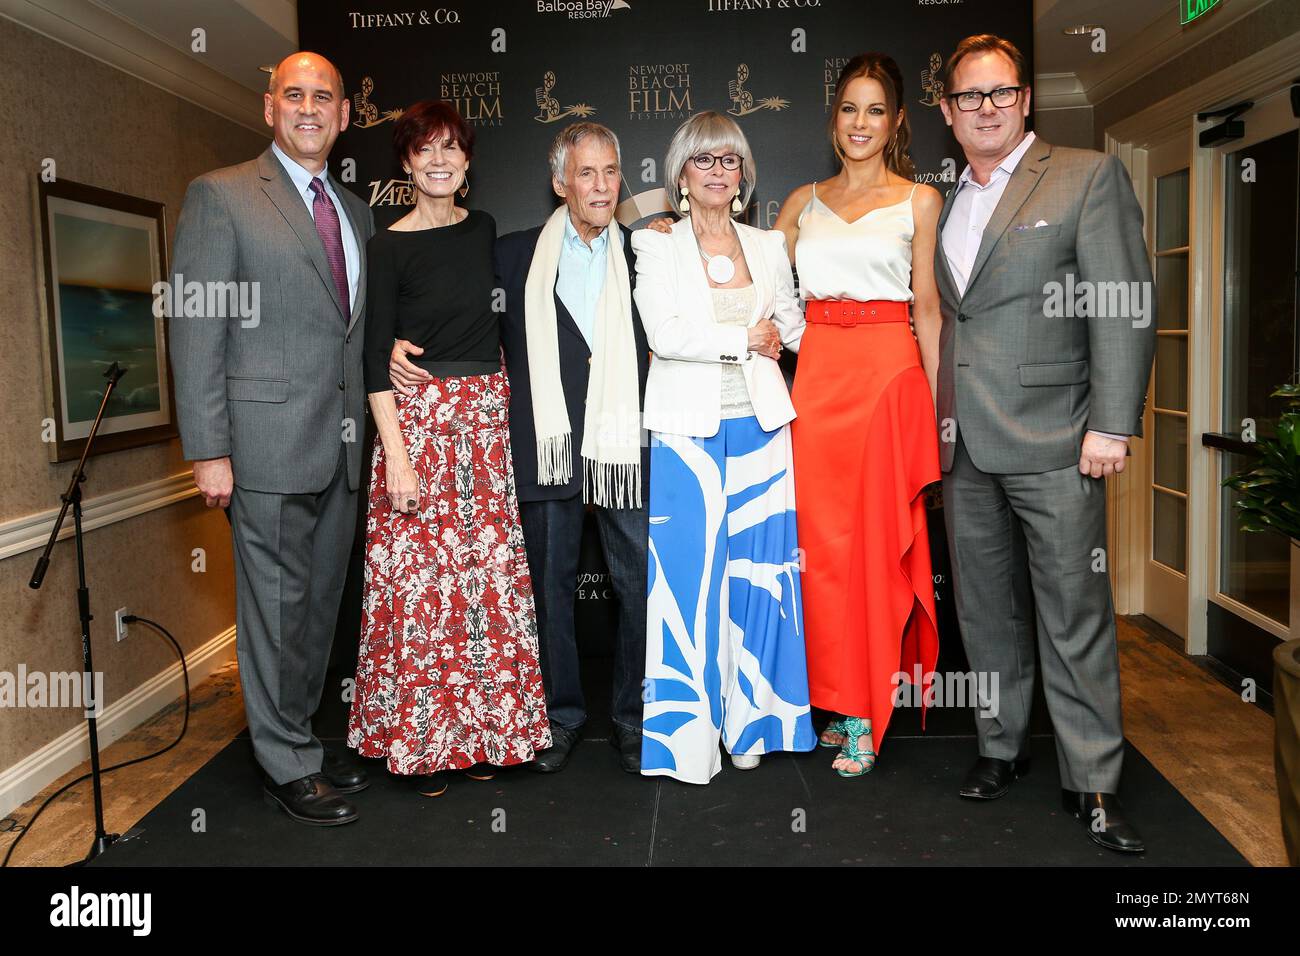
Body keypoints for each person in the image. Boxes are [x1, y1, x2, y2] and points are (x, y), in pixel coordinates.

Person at [934, 35, 1156, 852]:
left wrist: (1113, 423)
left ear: (1025, 99)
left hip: (1061, 439)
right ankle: (1000, 748)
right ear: (949, 113)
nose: (984, 108)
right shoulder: (951, 199)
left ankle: (1093, 780)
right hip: (965, 449)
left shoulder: (1085, 173)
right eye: (968, 97)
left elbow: (1124, 301)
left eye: (999, 93)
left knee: (1075, 617)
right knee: (985, 615)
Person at [390, 122, 651, 774]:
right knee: (547, 589)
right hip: (545, 443)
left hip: (623, 444)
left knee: (639, 586)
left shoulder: (649, 252)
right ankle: (558, 718)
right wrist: (395, 341)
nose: (599, 185)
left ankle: (634, 718)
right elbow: (449, 305)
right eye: (585, 173)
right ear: (560, 182)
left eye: (610, 172)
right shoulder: (508, 254)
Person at [169, 52, 374, 826]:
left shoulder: (354, 212)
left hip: (342, 450)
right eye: (295, 95)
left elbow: (347, 334)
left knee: (316, 613)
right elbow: (195, 328)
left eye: (325, 96)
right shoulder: (220, 195)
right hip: (262, 448)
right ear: (269, 107)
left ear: (346, 114)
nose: (310, 108)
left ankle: (300, 749)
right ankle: (285, 764)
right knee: (272, 615)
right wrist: (209, 448)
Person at [346, 100, 551, 797]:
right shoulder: (387, 244)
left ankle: (495, 734)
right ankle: (427, 744)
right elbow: (376, 359)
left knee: (486, 593)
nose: (438, 161)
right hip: (419, 430)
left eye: (451, 149)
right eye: (424, 150)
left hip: (486, 426)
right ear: (406, 163)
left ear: (467, 163)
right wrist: (397, 458)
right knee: (424, 594)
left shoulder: (484, 228)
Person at [765, 53, 945, 778]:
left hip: (887, 385)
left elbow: (928, 310)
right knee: (823, 557)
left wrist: (937, 414)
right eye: (849, 108)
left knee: (874, 554)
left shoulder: (920, 200)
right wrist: (665, 225)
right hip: (817, 385)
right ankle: (832, 703)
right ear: (833, 118)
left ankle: (868, 710)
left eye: (875, 110)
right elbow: (750, 275)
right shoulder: (799, 202)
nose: (860, 123)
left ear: (897, 121)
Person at [633, 111, 815, 785]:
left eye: (729, 160)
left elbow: (792, 327)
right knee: (687, 590)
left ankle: (756, 729)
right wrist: (746, 338)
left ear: (743, 174)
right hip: (687, 434)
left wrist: (785, 331)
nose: (717, 171)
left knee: (762, 588)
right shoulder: (656, 246)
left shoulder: (768, 245)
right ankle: (687, 744)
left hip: (765, 430)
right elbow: (667, 332)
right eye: (704, 160)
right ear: (681, 173)